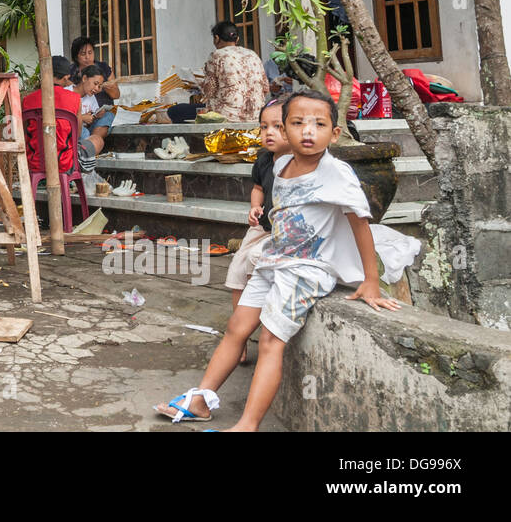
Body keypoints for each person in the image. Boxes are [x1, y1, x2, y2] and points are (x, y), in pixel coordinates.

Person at [153, 91, 399, 430]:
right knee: (236, 328)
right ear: (285, 129)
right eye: (297, 123)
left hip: (305, 271)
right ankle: (201, 400)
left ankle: (247, 425)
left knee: (270, 341)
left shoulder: (337, 173)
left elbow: (361, 224)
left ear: (335, 133)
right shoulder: (281, 164)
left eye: (319, 124)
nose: (308, 131)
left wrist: (370, 280)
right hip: (273, 260)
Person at [227, 94, 291, 364]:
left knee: (258, 268)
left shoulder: (298, 162)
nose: (269, 133)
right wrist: (254, 208)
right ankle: (237, 338)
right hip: (260, 228)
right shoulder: (264, 160)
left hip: (282, 234)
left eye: (277, 127)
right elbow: (258, 189)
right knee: (236, 273)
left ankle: (263, 330)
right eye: (264, 127)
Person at [165, 21, 268, 123]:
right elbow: (266, 88)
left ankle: (196, 139)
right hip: (256, 115)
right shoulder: (252, 55)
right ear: (237, 39)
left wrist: (198, 83)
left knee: (175, 110)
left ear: (216, 38)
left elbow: (209, 92)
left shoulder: (216, 55)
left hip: (227, 116)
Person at [21, 56, 103, 176]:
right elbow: (77, 135)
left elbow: (25, 133)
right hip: (64, 163)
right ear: (66, 77)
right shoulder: (74, 99)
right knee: (97, 140)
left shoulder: (27, 100)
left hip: (35, 162)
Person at [70, 36, 119, 106]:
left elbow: (116, 95)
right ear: (76, 56)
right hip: (82, 112)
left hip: (105, 110)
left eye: (90, 53)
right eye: (83, 54)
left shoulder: (103, 67)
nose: (87, 57)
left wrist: (103, 85)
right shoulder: (70, 72)